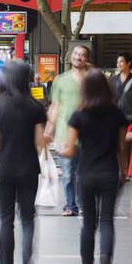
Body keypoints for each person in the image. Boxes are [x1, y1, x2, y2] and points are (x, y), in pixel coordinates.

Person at [0, 61, 47, 264]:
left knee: (5, 220)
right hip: (29, 169)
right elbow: (39, 144)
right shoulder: (36, 108)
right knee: (27, 217)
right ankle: (27, 259)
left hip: (5, 170)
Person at [59, 67, 127, 264]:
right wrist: (123, 170)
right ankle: (106, 259)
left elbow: (69, 151)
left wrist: (60, 148)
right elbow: (121, 147)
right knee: (107, 220)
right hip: (110, 173)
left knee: (88, 224)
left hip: (86, 174)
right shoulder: (116, 114)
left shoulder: (78, 116)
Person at [45, 43, 89, 216]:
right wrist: (49, 130)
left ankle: (81, 203)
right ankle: (71, 205)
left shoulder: (91, 80)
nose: (78, 57)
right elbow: (55, 106)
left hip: (88, 134)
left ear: (87, 59)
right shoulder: (60, 80)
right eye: (76, 54)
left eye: (82, 54)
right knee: (68, 173)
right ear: (71, 57)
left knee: (82, 173)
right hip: (65, 133)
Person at [110, 51, 132, 121]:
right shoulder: (112, 80)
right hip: (115, 117)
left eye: (121, 62)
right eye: (117, 62)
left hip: (131, 117)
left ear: (128, 63)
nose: (118, 65)